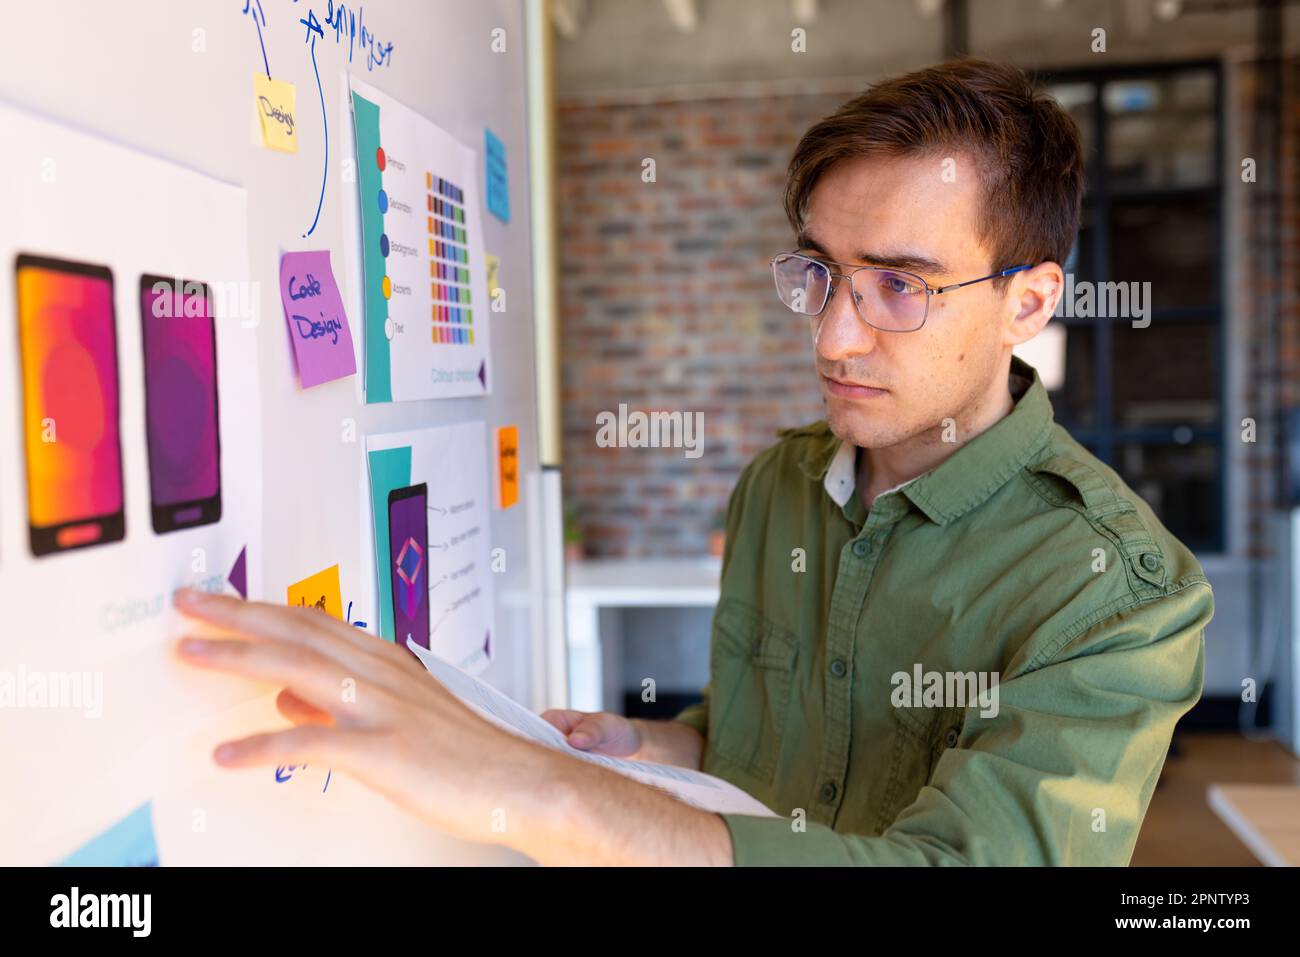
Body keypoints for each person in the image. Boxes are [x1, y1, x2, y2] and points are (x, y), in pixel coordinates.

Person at [177, 57, 1212, 866]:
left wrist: (539, 793)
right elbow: (763, 743)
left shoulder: (1123, 594)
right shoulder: (781, 487)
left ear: (1025, 304)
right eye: (821, 274)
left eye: (898, 286)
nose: (831, 339)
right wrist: (643, 750)